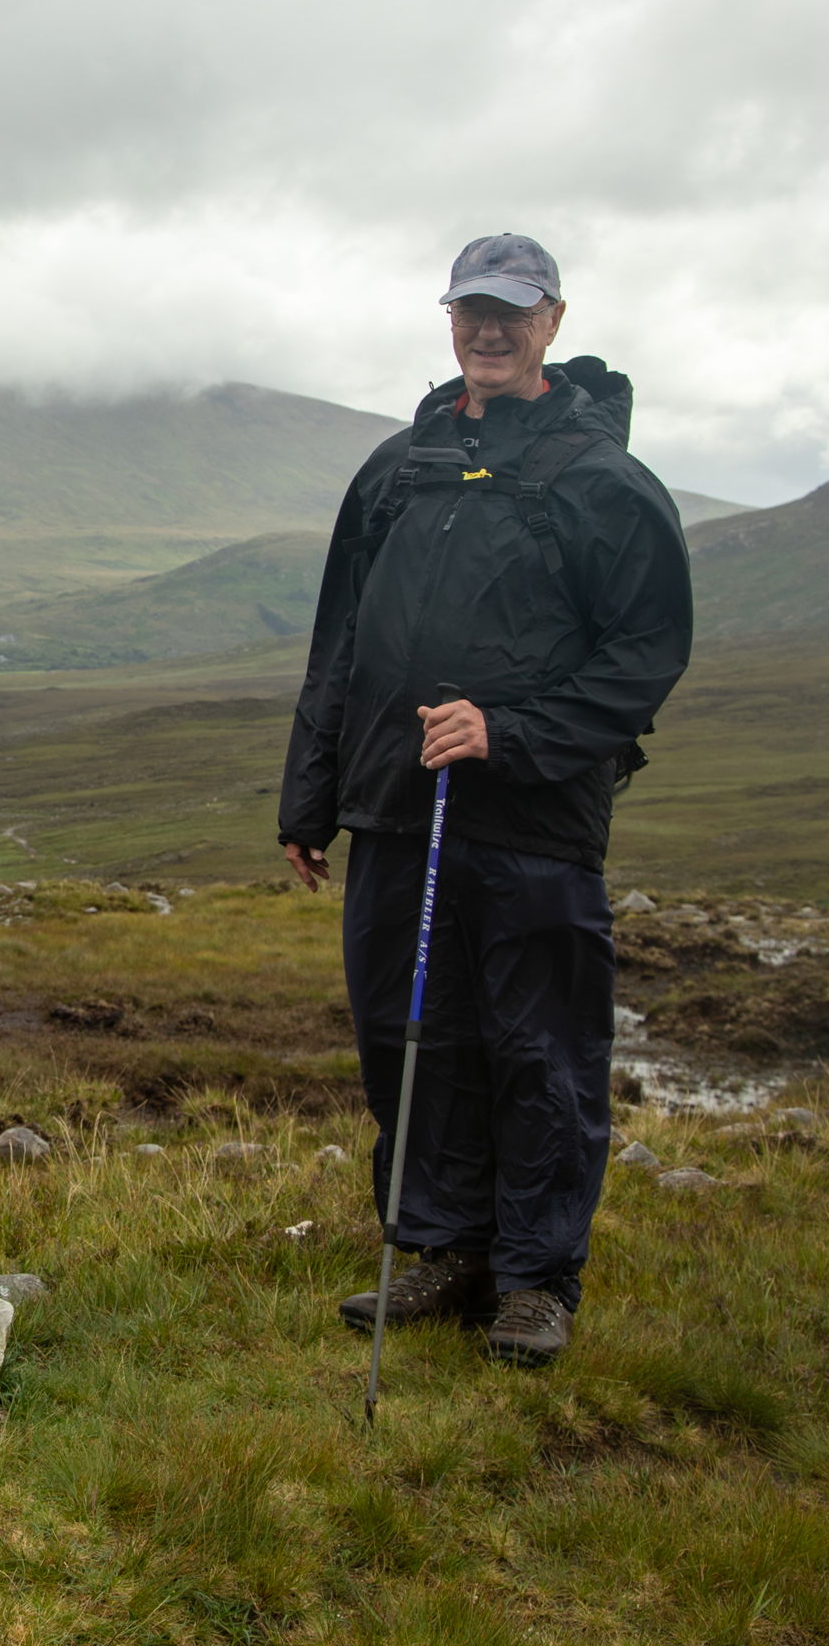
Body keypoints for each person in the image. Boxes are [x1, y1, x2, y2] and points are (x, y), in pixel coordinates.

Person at [276, 232, 692, 1367]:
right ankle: (445, 1247)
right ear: (449, 319)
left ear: (553, 321)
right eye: (471, 310)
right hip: (394, 807)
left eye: (513, 311)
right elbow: (342, 640)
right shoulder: (397, 469)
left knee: (539, 1047)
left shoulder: (604, 482)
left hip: (534, 821)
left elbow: (646, 654)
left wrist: (512, 733)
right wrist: (310, 794)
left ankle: (535, 1278)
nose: (490, 330)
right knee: (410, 1038)